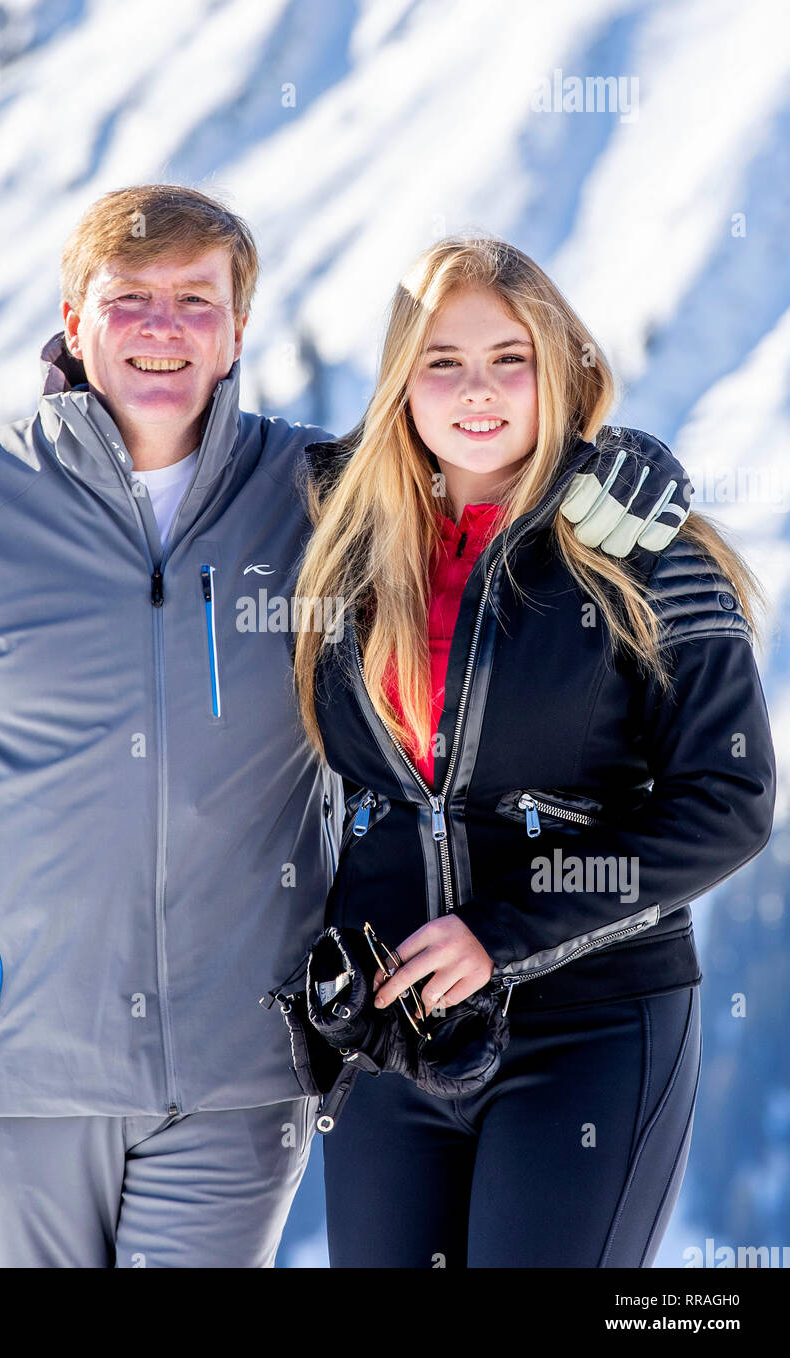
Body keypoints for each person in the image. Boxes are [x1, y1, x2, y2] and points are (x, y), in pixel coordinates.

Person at [0, 190, 693, 1268]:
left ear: (238, 330)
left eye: (196, 300)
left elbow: (478, 444)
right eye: (130, 300)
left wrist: (614, 459)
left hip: (244, 1075)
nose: (163, 329)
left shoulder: (324, 499)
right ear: (73, 321)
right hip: (35, 1074)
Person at [290, 236, 777, 1268]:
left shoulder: (644, 550)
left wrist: (501, 931)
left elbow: (729, 798)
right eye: (443, 361)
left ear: (558, 368)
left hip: (591, 1031)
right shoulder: (338, 538)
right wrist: (83, 396)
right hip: (392, 1038)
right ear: (400, 382)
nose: (479, 390)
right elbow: (173, 486)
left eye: (510, 358)